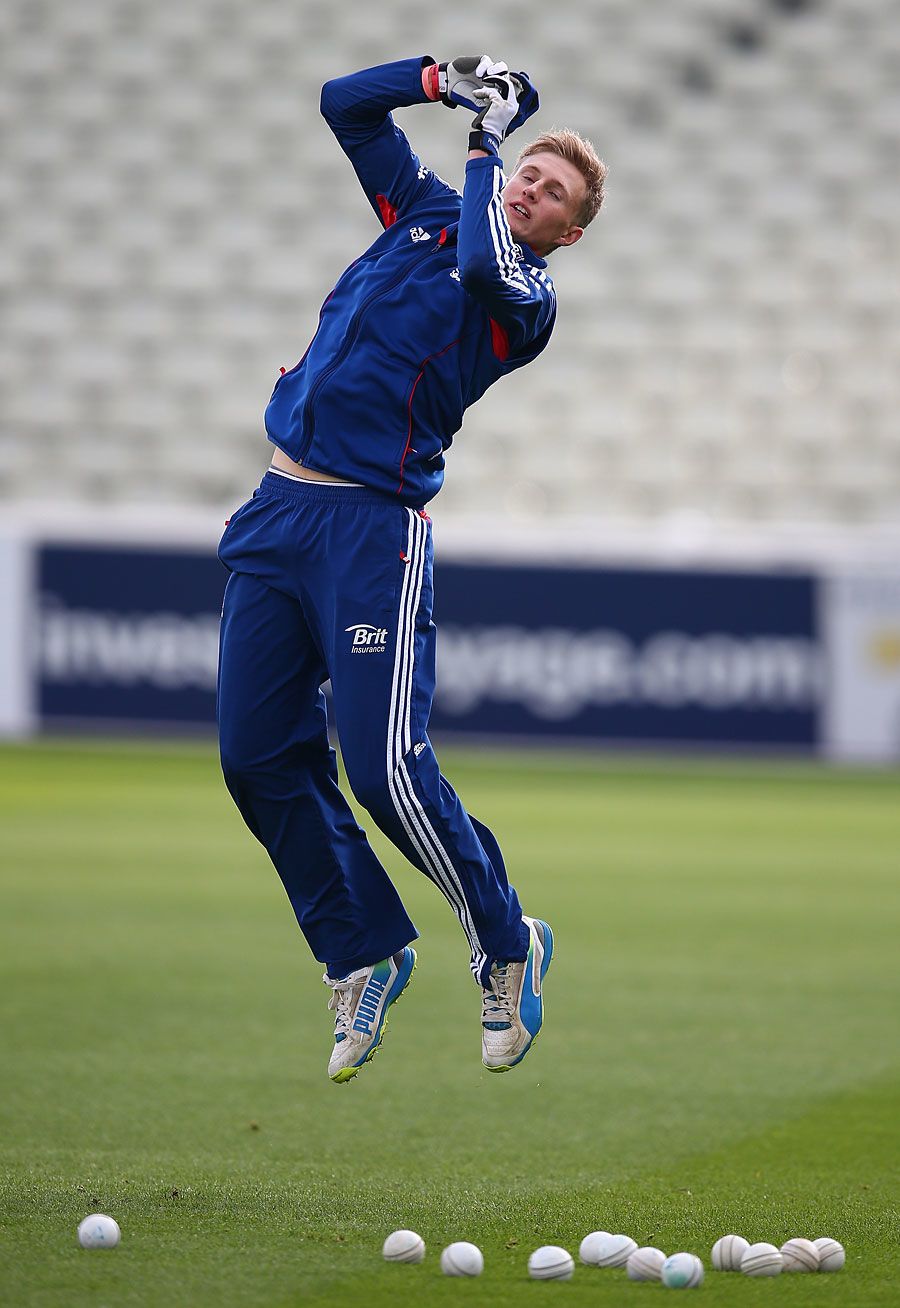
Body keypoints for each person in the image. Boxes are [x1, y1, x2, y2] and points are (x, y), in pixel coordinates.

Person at [217, 54, 606, 1083]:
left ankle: (508, 941)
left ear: (568, 233)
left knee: (386, 767)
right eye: (528, 170)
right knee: (256, 757)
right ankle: (365, 951)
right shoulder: (426, 207)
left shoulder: (526, 289)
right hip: (278, 509)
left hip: (371, 530)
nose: (530, 185)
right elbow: (340, 104)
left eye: (552, 192)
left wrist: (485, 139)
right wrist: (440, 80)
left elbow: (482, 266)